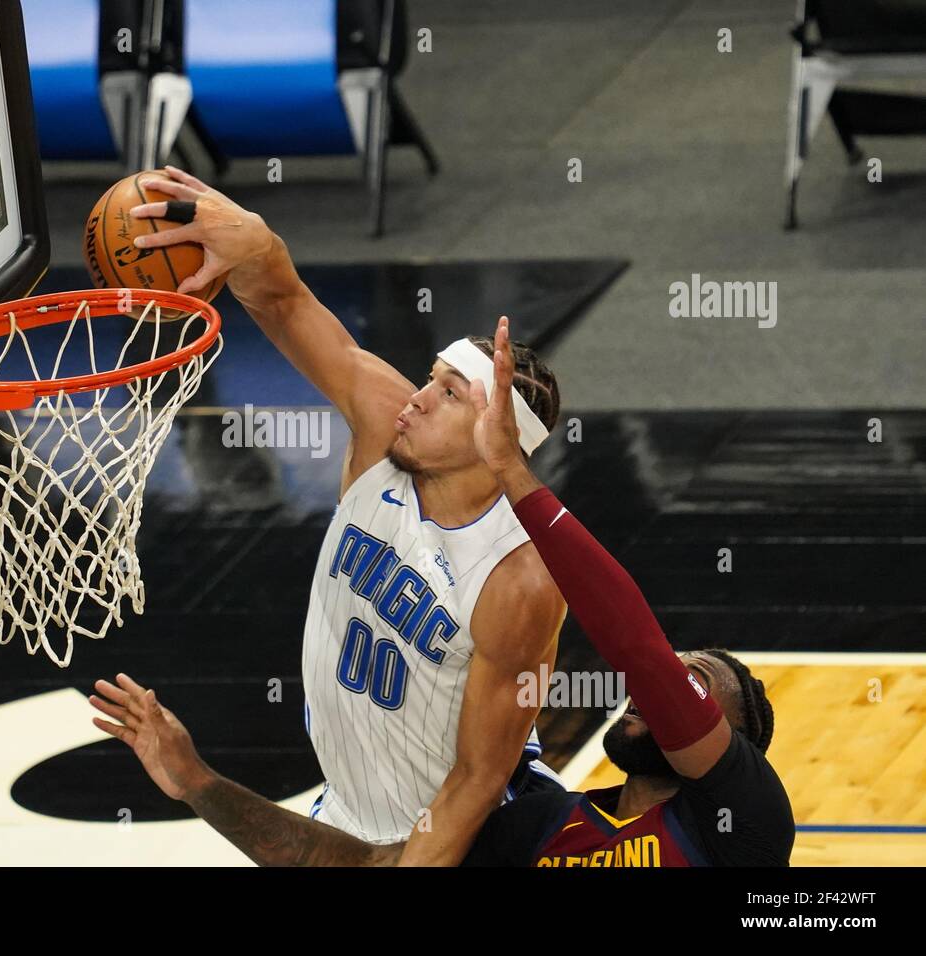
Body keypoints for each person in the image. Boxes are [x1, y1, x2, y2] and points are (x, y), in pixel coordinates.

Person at [90, 316, 795, 867]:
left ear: (732, 744)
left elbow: (637, 647)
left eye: (695, 682)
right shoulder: (535, 831)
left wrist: (512, 475)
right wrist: (197, 784)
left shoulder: (743, 826)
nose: (666, 684)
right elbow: (351, 861)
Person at [99, 167, 569, 865]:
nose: (419, 397)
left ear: (493, 438)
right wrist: (257, 247)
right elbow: (286, 305)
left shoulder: (517, 581)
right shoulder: (387, 425)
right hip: (348, 808)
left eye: (448, 394)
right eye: (431, 377)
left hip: (464, 837)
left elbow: (477, 781)